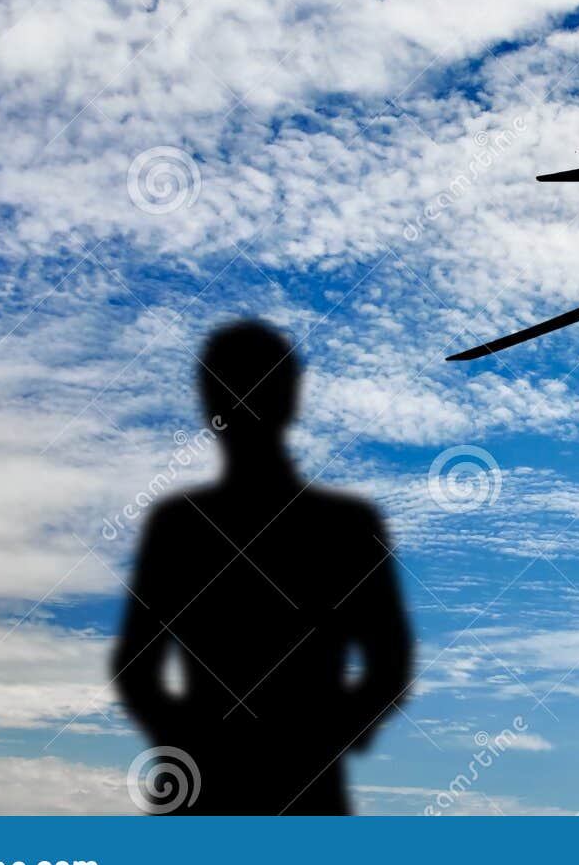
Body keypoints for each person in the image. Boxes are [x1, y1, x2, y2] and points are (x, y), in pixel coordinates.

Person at [112, 320, 412, 815]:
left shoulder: (182, 527)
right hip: (274, 787)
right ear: (293, 398)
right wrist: (328, 736)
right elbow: (389, 667)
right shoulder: (343, 525)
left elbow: (390, 666)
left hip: (224, 788)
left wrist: (191, 741)